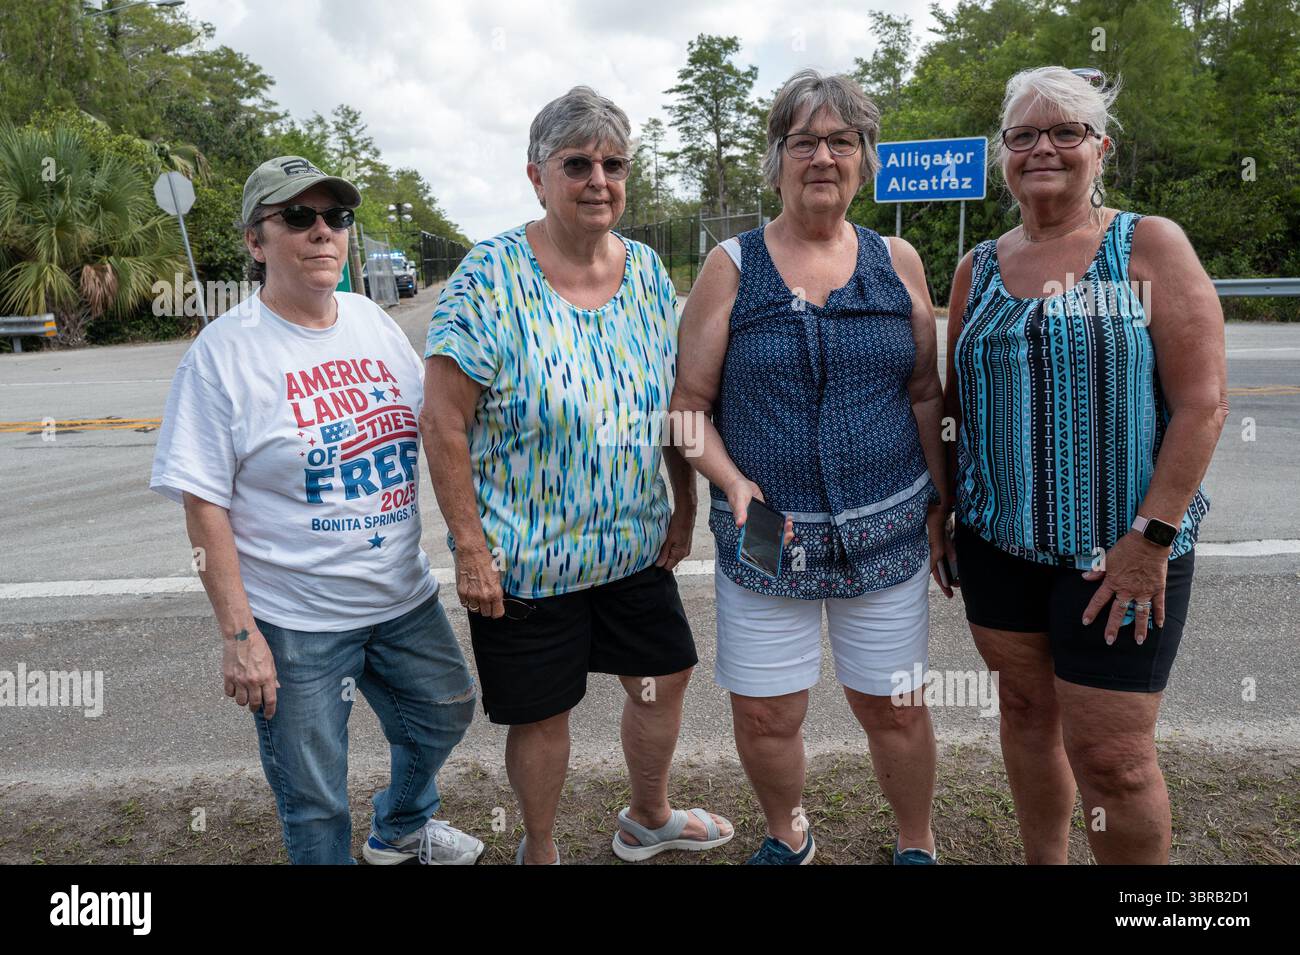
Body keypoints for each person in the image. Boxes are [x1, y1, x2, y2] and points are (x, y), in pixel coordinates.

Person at [422, 87, 733, 865]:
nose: (599, 178)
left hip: (631, 544)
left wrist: (683, 500)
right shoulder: (488, 276)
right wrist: (468, 545)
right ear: (537, 176)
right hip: (526, 559)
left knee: (663, 675)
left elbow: (670, 398)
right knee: (543, 714)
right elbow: (443, 420)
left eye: (613, 163)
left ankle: (648, 815)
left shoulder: (649, 272)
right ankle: (541, 846)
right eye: (577, 164)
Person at [150, 156, 482, 865]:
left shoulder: (372, 321)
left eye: (336, 217)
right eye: (297, 217)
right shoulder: (222, 356)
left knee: (445, 711)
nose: (322, 232)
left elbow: (438, 428)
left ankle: (400, 825)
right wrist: (240, 634)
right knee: (315, 798)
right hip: (295, 619)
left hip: (400, 596)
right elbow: (203, 505)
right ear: (254, 240)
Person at [943, 67, 1228, 864]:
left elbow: (1203, 404)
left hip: (1123, 553)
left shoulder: (1145, 244)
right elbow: (955, 402)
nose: (1044, 148)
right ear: (1004, 153)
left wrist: (1152, 539)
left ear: (1100, 148)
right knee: (1028, 719)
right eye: (1024, 134)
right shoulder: (979, 267)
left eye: (1066, 132)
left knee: (1114, 759)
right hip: (1000, 545)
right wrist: (946, 508)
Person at [670, 69, 952, 865]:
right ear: (778, 159)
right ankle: (787, 833)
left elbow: (926, 393)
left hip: (889, 524)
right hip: (765, 530)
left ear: (864, 158)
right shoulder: (733, 265)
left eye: (841, 140)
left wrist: (941, 504)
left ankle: (915, 843)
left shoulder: (898, 260)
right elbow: (688, 406)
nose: (822, 156)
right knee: (766, 712)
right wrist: (730, 482)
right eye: (803, 142)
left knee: (894, 706)